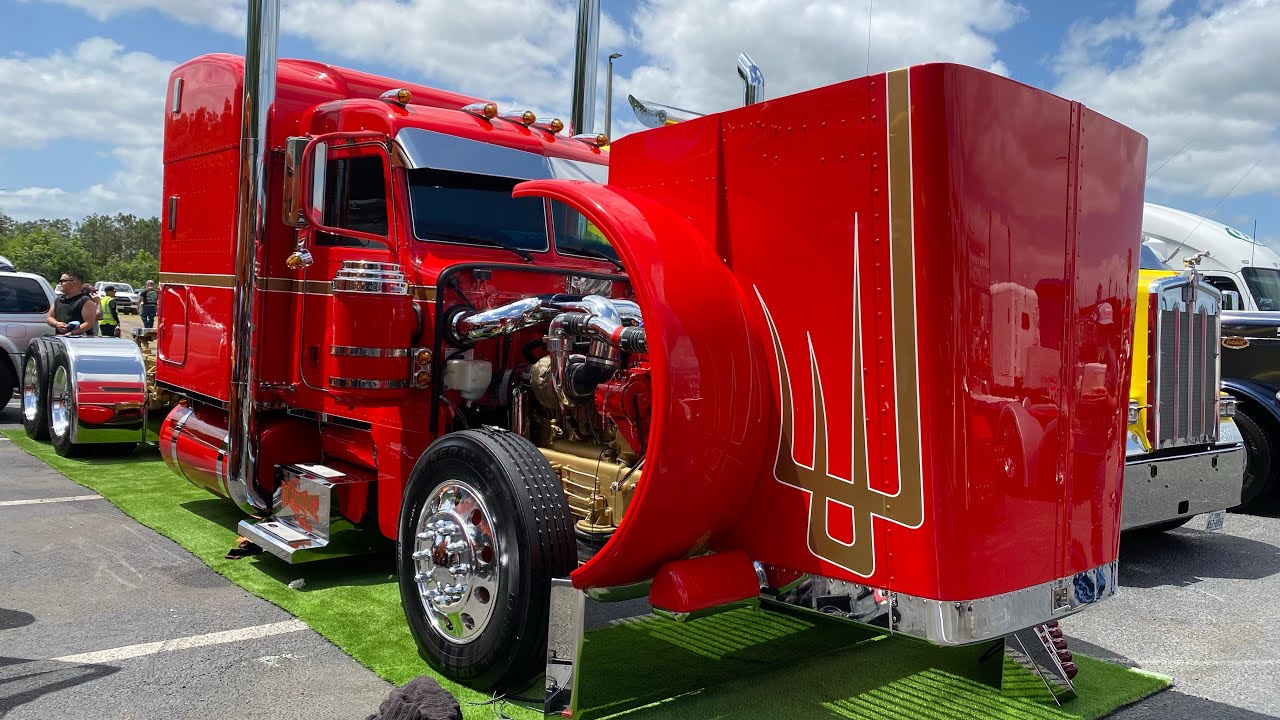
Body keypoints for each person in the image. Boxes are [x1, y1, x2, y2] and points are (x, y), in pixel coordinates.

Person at [47, 271, 98, 336]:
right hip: (61, 340)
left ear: (73, 283)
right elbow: (49, 317)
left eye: (63, 281)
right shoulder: (58, 300)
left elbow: (89, 323)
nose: (60, 283)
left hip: (79, 341)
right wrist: (56, 324)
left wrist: (72, 333)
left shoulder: (85, 301)